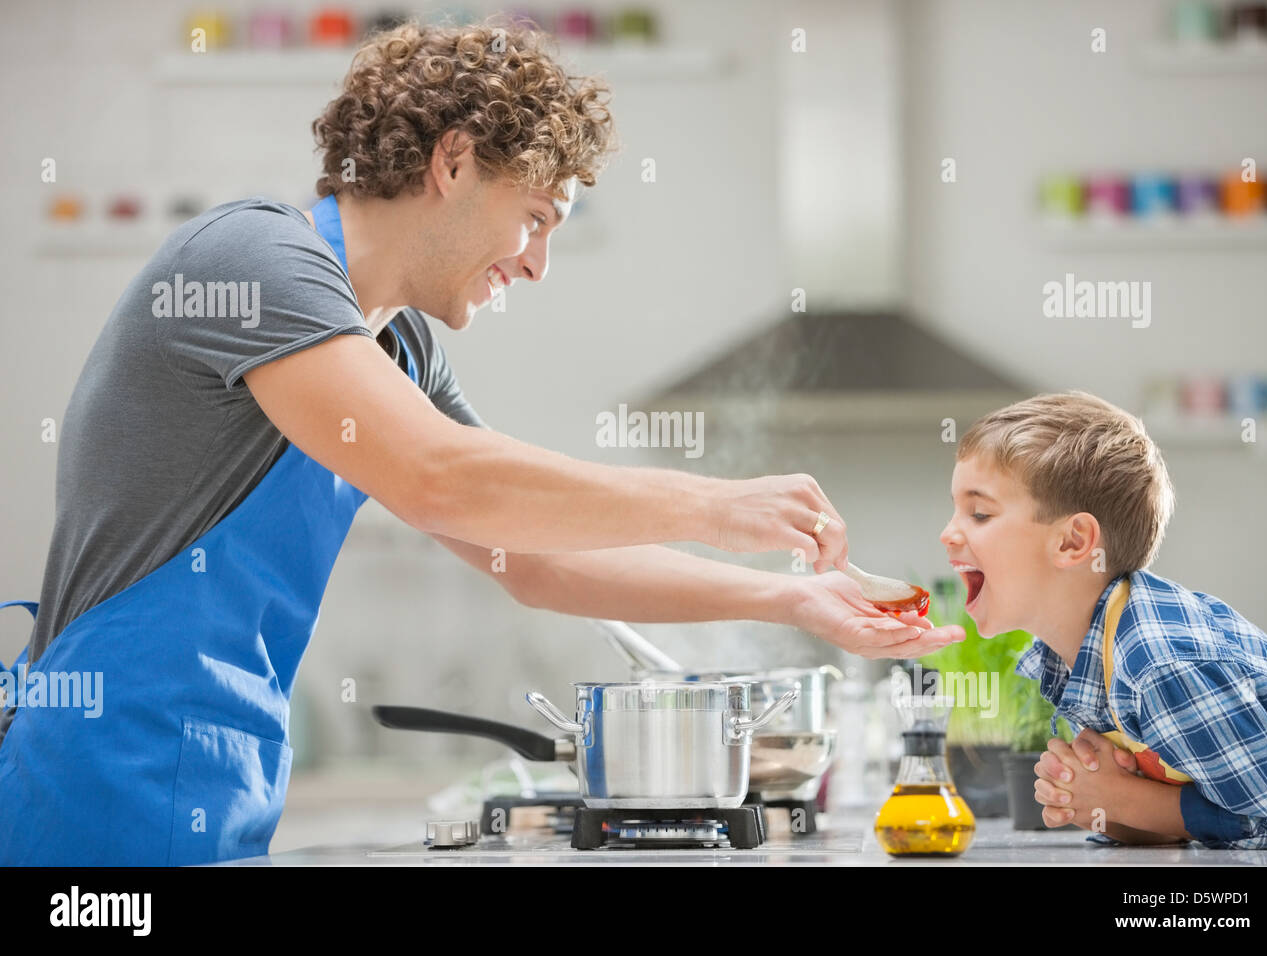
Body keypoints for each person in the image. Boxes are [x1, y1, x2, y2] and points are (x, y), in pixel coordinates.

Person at [0, 21, 963, 866]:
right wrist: (719, 504)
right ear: (454, 162)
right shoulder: (252, 263)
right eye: (537, 219)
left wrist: (792, 597)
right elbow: (444, 477)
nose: (538, 264)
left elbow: (532, 558)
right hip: (103, 777)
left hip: (224, 769)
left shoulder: (395, 344)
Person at [939, 391, 1267, 848]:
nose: (948, 534)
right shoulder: (1073, 658)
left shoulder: (1159, 663)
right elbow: (1196, 812)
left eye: (979, 513)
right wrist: (1102, 806)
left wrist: (1126, 800)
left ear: (1073, 543)